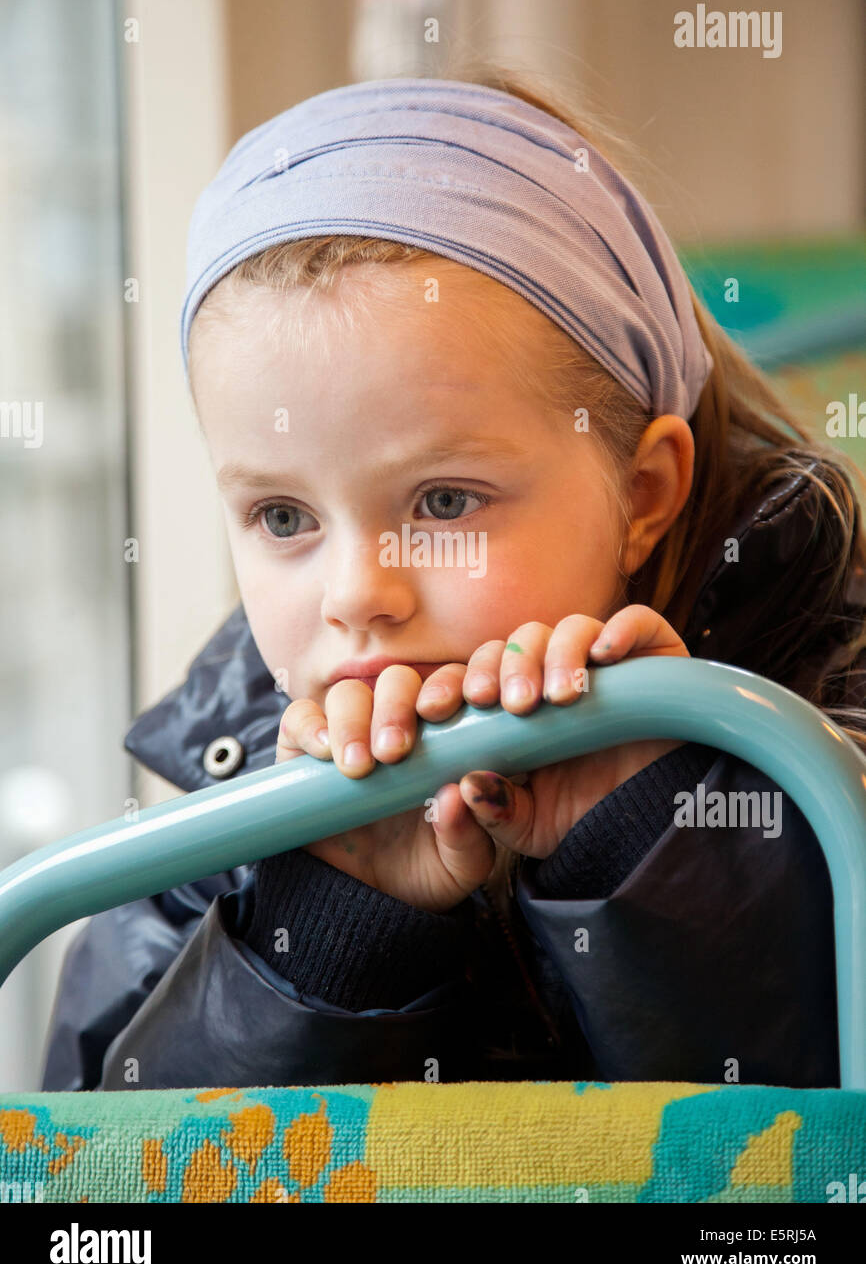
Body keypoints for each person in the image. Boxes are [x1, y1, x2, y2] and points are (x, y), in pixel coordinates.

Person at [40, 65, 866, 1093]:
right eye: (283, 517)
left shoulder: (827, 735)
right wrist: (327, 918)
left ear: (641, 492)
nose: (356, 594)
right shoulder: (221, 806)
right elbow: (97, 1186)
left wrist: (650, 840)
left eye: (441, 502)